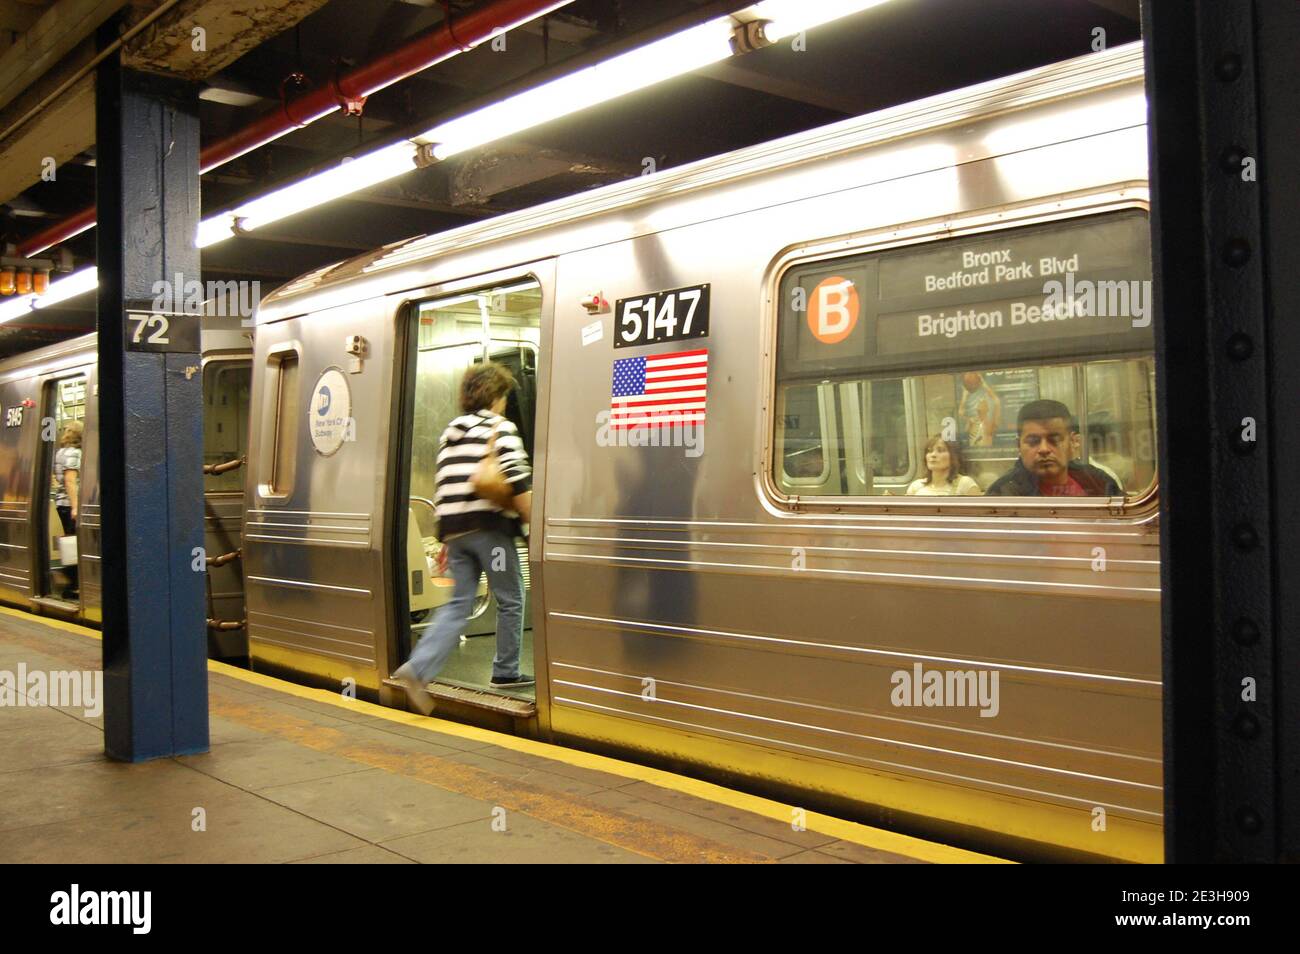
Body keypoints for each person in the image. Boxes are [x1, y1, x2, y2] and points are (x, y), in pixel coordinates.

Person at [392, 362, 533, 715]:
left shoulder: (449, 433)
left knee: (458, 603)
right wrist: (532, 528)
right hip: (491, 533)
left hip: (455, 534)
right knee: (511, 597)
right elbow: (516, 480)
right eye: (504, 396)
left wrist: (446, 537)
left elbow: (444, 487)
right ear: (497, 396)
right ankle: (505, 672)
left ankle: (417, 668)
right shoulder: (500, 428)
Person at [987, 399, 1122, 496]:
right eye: (1033, 441)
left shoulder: (1097, 481)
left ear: (1072, 442)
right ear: (1018, 446)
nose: (1044, 449)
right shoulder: (1003, 494)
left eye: (1055, 440)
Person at [53, 420, 83, 599]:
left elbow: (59, 478)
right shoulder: (75, 453)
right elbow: (70, 480)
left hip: (60, 502)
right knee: (75, 545)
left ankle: (72, 582)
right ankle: (71, 584)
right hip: (69, 503)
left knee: (71, 543)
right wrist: (75, 506)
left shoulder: (61, 452)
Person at [905, 435, 982, 496]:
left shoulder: (965, 484)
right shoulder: (916, 487)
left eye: (940, 450)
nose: (933, 455)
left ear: (953, 456)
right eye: (929, 451)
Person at [960, 372, 1002, 447]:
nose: (981, 401)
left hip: (986, 455)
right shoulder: (972, 421)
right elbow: (961, 412)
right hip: (973, 454)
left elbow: (997, 401)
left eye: (983, 401)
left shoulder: (991, 425)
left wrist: (984, 384)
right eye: (980, 401)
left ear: (987, 408)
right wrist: (965, 394)